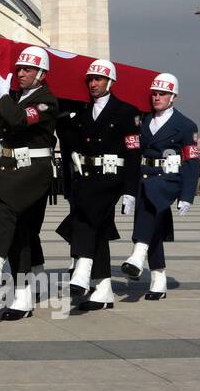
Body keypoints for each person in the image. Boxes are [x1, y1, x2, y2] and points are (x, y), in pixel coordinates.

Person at [0, 46, 59, 321]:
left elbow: (20, 120)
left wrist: (2, 97)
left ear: (41, 75)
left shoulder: (47, 100)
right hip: (12, 169)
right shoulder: (15, 98)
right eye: (19, 69)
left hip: (34, 171)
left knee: (4, 210)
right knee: (22, 234)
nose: (20, 73)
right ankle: (24, 295)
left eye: (27, 70)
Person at [54, 59, 142, 312]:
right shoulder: (82, 112)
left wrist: (130, 190)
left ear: (110, 82)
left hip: (112, 177)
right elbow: (70, 140)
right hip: (87, 176)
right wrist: (63, 115)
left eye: (99, 79)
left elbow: (134, 153)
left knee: (86, 214)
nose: (93, 84)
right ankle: (103, 290)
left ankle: (82, 267)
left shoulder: (127, 112)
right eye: (90, 80)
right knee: (98, 228)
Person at [121, 73, 199, 301]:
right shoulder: (142, 121)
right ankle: (158, 280)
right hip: (144, 176)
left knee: (151, 201)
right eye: (154, 93)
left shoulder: (185, 125)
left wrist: (187, 195)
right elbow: (133, 153)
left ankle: (137, 254)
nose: (157, 97)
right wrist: (128, 189)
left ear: (173, 97)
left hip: (169, 179)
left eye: (162, 94)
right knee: (153, 225)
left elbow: (192, 162)